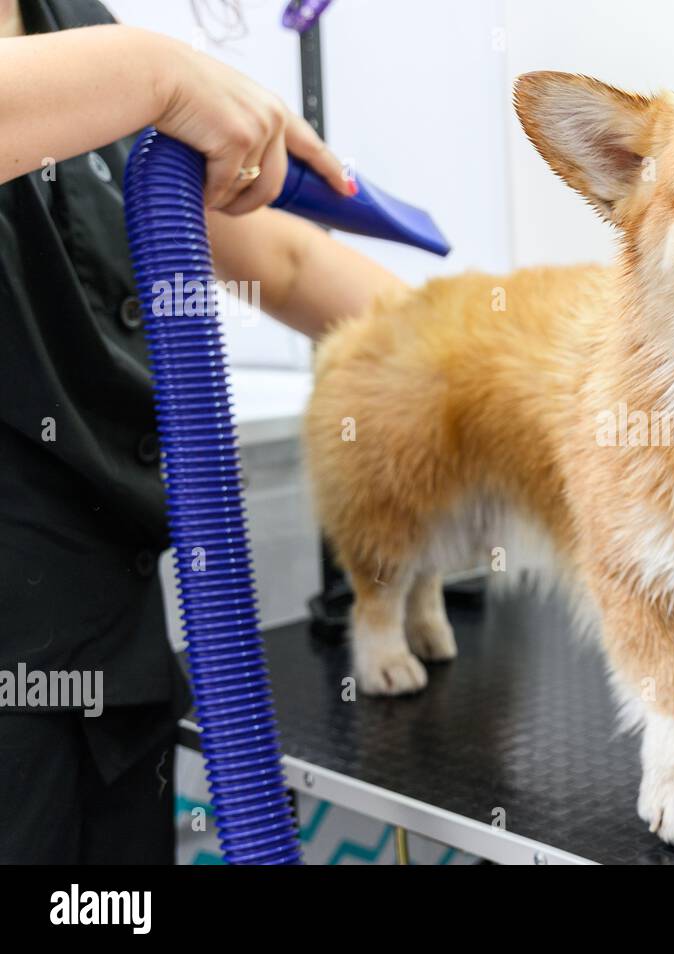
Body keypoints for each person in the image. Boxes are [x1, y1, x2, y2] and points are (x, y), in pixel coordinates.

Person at [0, 0, 404, 862]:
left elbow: (286, 262)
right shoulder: (127, 63)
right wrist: (160, 72)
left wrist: (512, 354)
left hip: (112, 640)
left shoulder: (71, 20)